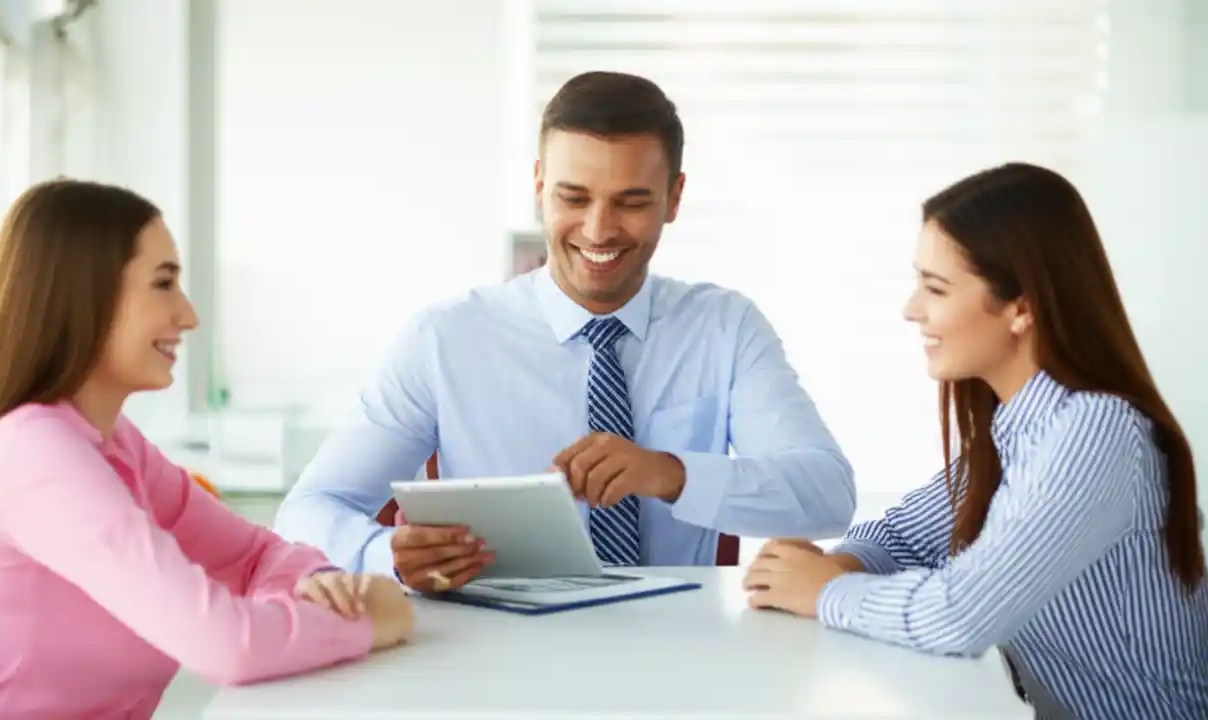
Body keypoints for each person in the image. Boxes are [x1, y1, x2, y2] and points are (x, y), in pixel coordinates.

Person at [275, 71, 855, 593]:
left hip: (678, 644)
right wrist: (386, 555)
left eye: (631, 202)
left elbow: (826, 495)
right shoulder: (443, 340)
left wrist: (669, 473)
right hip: (493, 644)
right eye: (573, 198)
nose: (599, 230)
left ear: (674, 198)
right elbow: (308, 509)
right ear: (538, 186)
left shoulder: (725, 328)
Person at [0, 180, 414, 718]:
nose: (188, 315)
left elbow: (253, 554)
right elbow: (225, 645)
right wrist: (364, 619)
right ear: (84, 296)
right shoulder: (36, 454)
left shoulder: (115, 445)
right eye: (163, 284)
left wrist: (328, 586)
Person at [744, 163, 1208, 718]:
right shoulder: (1019, 430)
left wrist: (824, 592)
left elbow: (960, 616)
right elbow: (904, 539)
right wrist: (833, 566)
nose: (911, 309)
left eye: (935, 288)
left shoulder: (1095, 430)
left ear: (1022, 307)